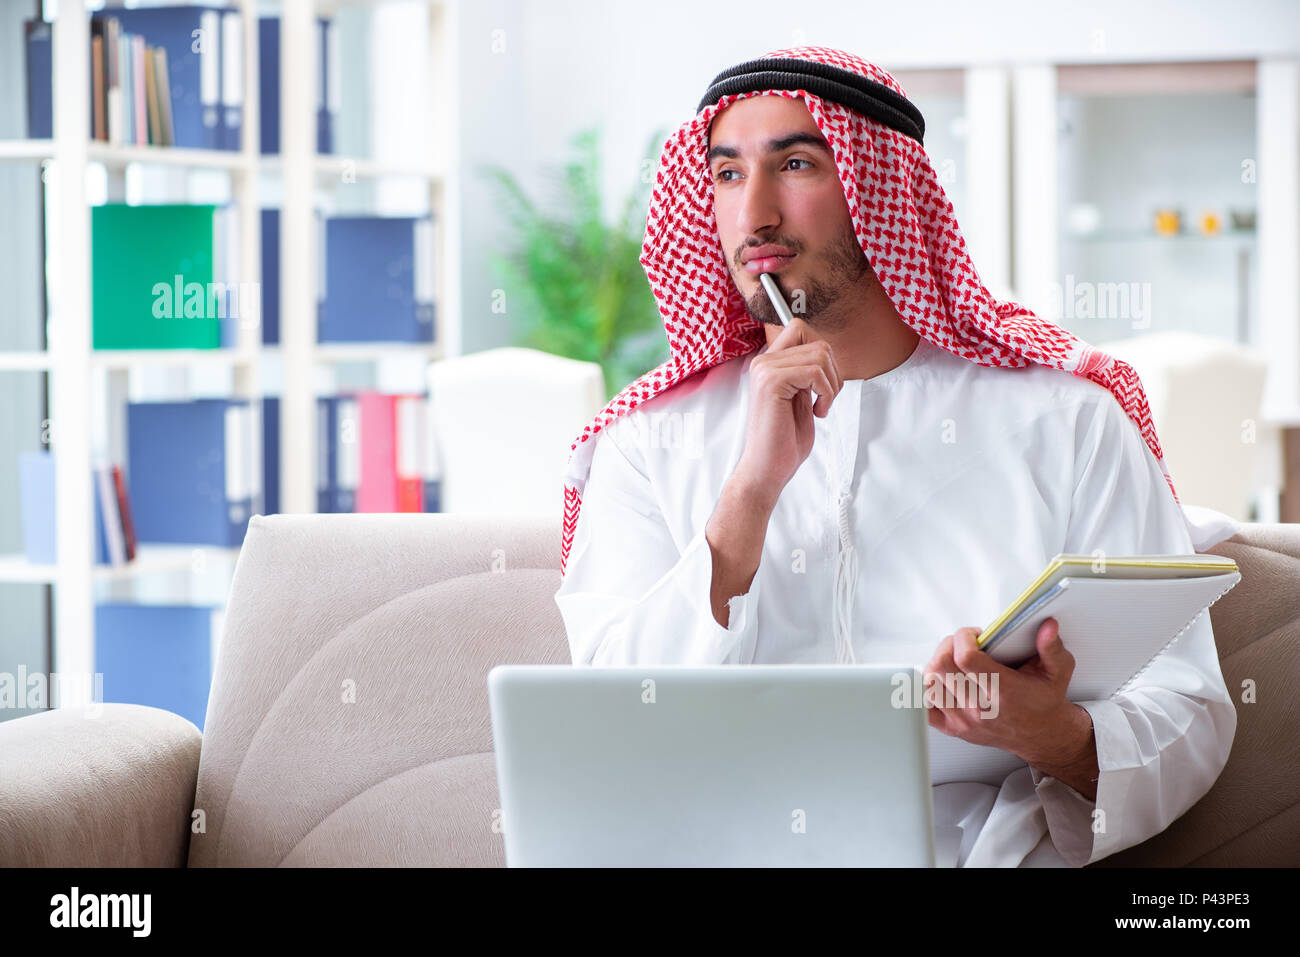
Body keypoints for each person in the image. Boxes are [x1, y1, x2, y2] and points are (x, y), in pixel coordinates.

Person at [553, 46, 1238, 867]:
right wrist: (748, 500)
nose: (755, 214)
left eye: (796, 163)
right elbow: (600, 730)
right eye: (728, 174)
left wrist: (1059, 737)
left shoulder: (1065, 421)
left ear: (880, 188)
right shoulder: (646, 443)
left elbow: (1190, 707)